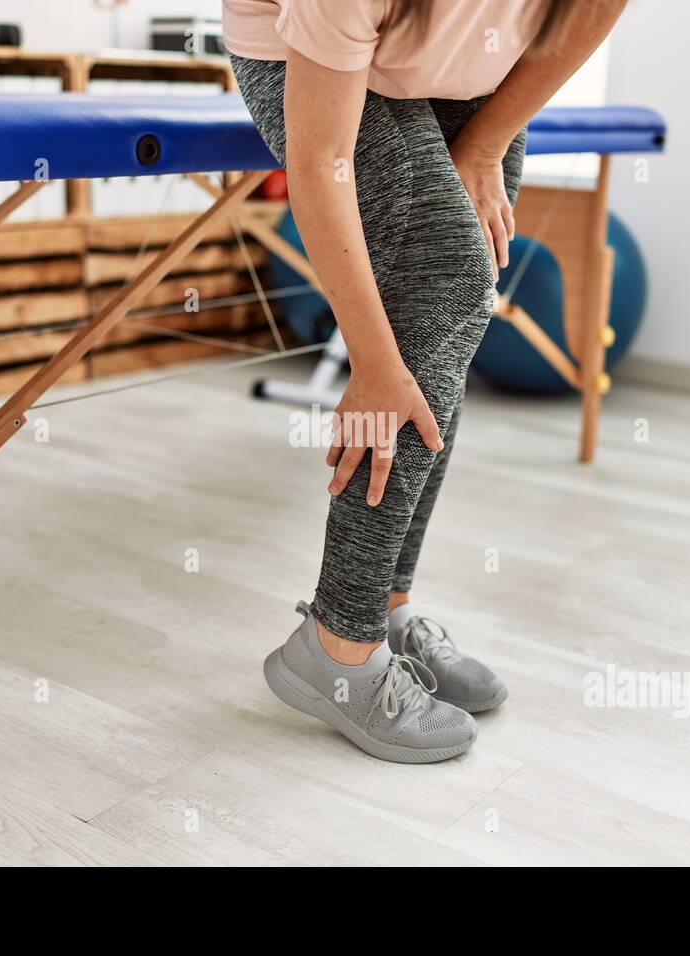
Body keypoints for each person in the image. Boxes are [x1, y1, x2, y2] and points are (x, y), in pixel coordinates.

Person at [224, 0, 627, 761]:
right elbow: (322, 162)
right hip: (308, 51)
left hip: (466, 61)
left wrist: (486, 144)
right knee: (441, 286)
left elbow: (592, 10)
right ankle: (339, 648)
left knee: (456, 310)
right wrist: (373, 366)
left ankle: (382, 606)